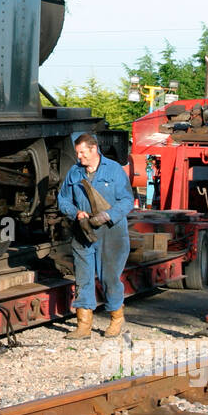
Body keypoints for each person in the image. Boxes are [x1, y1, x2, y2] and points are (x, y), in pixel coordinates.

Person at [57, 133, 134, 338]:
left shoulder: (114, 170)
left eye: (82, 152)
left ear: (93, 149)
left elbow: (127, 201)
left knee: (109, 277)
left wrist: (108, 215)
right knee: (83, 278)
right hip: (83, 231)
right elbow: (63, 200)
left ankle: (116, 318)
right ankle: (83, 326)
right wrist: (76, 213)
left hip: (111, 231)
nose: (79, 156)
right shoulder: (74, 172)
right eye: (77, 153)